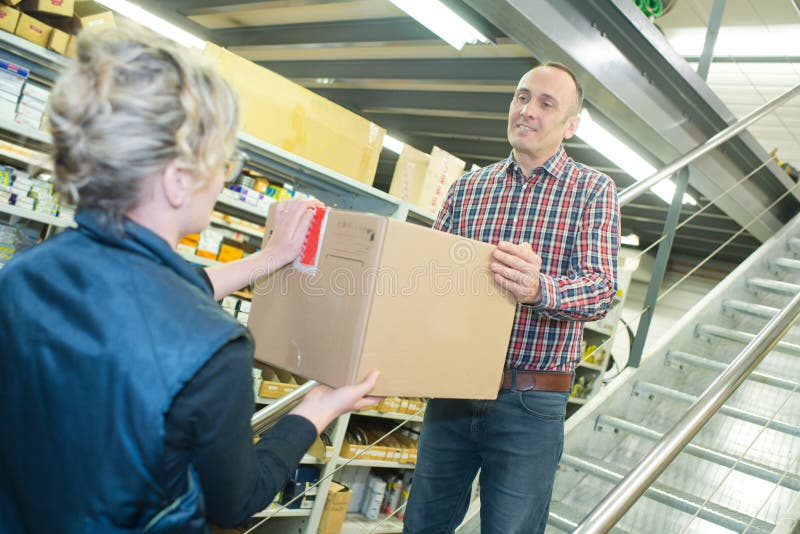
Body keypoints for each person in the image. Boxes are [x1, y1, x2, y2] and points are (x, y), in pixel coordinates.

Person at [0, 27, 378, 533]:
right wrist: (318, 407)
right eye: (222, 161)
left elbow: (142, 295)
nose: (223, 178)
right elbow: (235, 501)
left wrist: (270, 259)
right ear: (179, 179)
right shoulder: (215, 347)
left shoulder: (21, 275)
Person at [403, 63, 620, 533]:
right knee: (423, 524)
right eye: (522, 97)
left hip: (530, 402)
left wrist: (539, 288)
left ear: (571, 125)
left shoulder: (593, 191)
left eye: (546, 103)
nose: (527, 110)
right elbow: (431, 278)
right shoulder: (469, 188)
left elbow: (602, 289)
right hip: (453, 389)